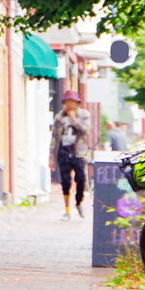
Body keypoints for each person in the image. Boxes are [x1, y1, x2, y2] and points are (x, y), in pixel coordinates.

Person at [50, 89, 91, 221]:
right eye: (67, 102)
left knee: (81, 179)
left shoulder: (84, 115)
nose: (70, 105)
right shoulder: (59, 117)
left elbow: (86, 130)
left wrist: (74, 119)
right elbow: (54, 137)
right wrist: (51, 157)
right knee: (65, 182)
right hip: (63, 152)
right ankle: (67, 210)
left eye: (72, 102)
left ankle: (79, 203)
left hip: (78, 152)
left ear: (77, 103)